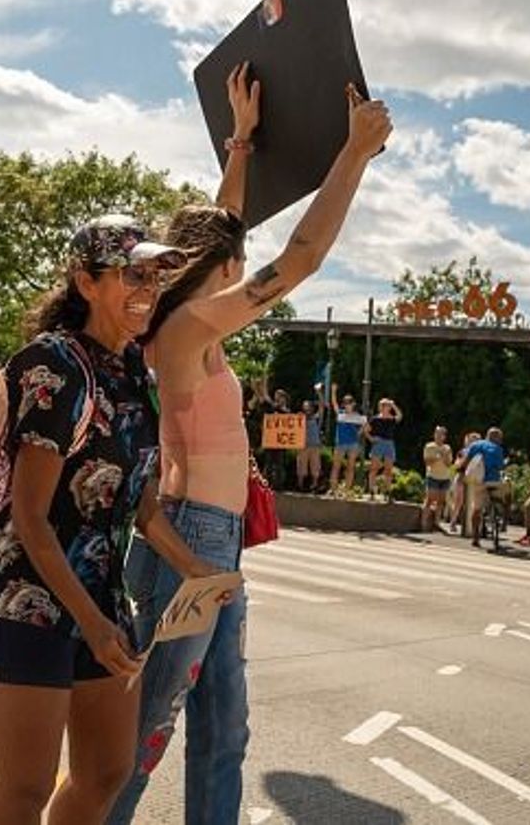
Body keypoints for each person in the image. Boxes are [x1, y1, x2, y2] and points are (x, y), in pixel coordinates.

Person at [108, 70, 392, 825]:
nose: (243, 260)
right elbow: (299, 257)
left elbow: (221, 228)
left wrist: (242, 139)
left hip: (218, 538)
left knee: (224, 726)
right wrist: (354, 155)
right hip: (189, 538)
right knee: (149, 728)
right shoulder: (184, 332)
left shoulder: (189, 315)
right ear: (219, 269)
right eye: (234, 256)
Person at [0, 215, 222, 825]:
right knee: (24, 790)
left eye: (155, 277)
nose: (148, 289)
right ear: (86, 281)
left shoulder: (135, 370)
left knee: (108, 770)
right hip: (29, 599)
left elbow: (139, 503)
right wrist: (93, 624)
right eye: (133, 274)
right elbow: (28, 518)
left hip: (100, 600)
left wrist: (196, 571)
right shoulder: (55, 365)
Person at [463, 427, 509, 547]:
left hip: (479, 482)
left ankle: (475, 538)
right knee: (505, 494)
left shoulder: (476, 445)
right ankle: (501, 516)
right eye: (500, 438)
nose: (501, 441)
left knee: (476, 509)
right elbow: (501, 467)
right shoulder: (498, 449)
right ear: (495, 437)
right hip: (494, 481)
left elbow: (466, 461)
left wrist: (462, 471)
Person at [328, 390, 366, 494]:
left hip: (353, 443)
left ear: (353, 404)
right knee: (336, 466)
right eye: (345, 403)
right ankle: (333, 489)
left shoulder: (357, 416)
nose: (347, 405)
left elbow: (365, 426)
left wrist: (359, 432)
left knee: (350, 466)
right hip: (340, 443)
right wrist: (334, 392)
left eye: (349, 402)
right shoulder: (340, 414)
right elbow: (334, 403)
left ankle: (347, 490)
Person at [364, 397, 402, 500]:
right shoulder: (375, 419)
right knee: (374, 468)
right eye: (385, 405)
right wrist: (371, 439)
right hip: (379, 442)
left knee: (388, 469)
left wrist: (393, 404)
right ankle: (372, 490)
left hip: (389, 443)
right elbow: (366, 429)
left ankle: (387, 491)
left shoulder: (391, 419)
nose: (387, 407)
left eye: (388, 406)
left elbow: (399, 416)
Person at [448, 430, 482, 535]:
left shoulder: (480, 453)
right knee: (459, 501)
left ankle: (474, 527)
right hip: (461, 477)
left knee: (474, 502)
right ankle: (453, 522)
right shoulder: (462, 452)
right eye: (471, 440)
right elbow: (456, 464)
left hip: (474, 479)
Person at [422, 426, 452, 531]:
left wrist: (444, 456)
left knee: (441, 501)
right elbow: (427, 462)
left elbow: (449, 464)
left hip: (444, 477)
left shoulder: (447, 448)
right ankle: (424, 523)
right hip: (433, 476)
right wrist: (436, 457)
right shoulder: (429, 446)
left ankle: (437, 522)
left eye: (441, 434)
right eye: (437, 434)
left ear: (444, 437)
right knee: (430, 499)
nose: (439, 436)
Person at [297, 397, 325, 493]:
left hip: (315, 446)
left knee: (315, 466)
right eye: (305, 406)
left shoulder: (316, 418)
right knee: (301, 466)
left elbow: (321, 408)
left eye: (308, 406)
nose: (307, 408)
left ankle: (315, 485)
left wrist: (319, 393)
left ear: (312, 408)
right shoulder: (300, 418)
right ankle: (300, 485)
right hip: (303, 445)